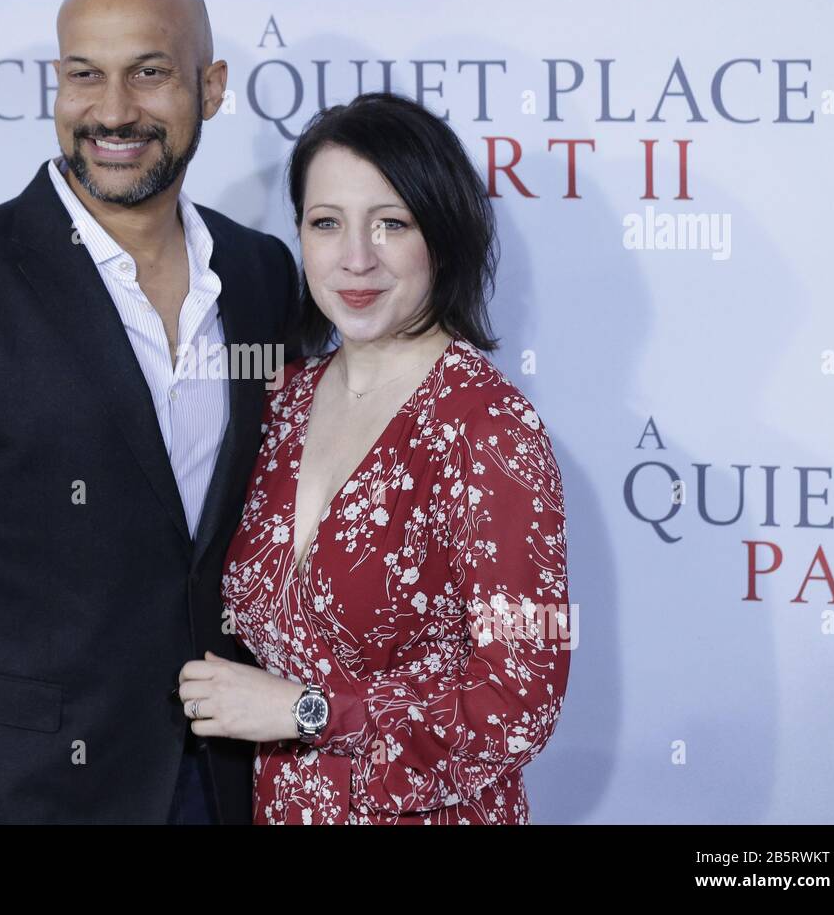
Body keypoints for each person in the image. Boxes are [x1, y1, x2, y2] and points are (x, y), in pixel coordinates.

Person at [0, 0, 299, 824]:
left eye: (150, 73)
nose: (113, 110)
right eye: (85, 74)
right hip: (33, 795)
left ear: (213, 86)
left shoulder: (262, 272)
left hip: (232, 779)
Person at [177, 92, 572, 824]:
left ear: (443, 235)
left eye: (391, 223)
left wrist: (308, 710)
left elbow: (522, 702)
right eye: (327, 223)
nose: (356, 257)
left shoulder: (488, 428)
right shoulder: (281, 401)